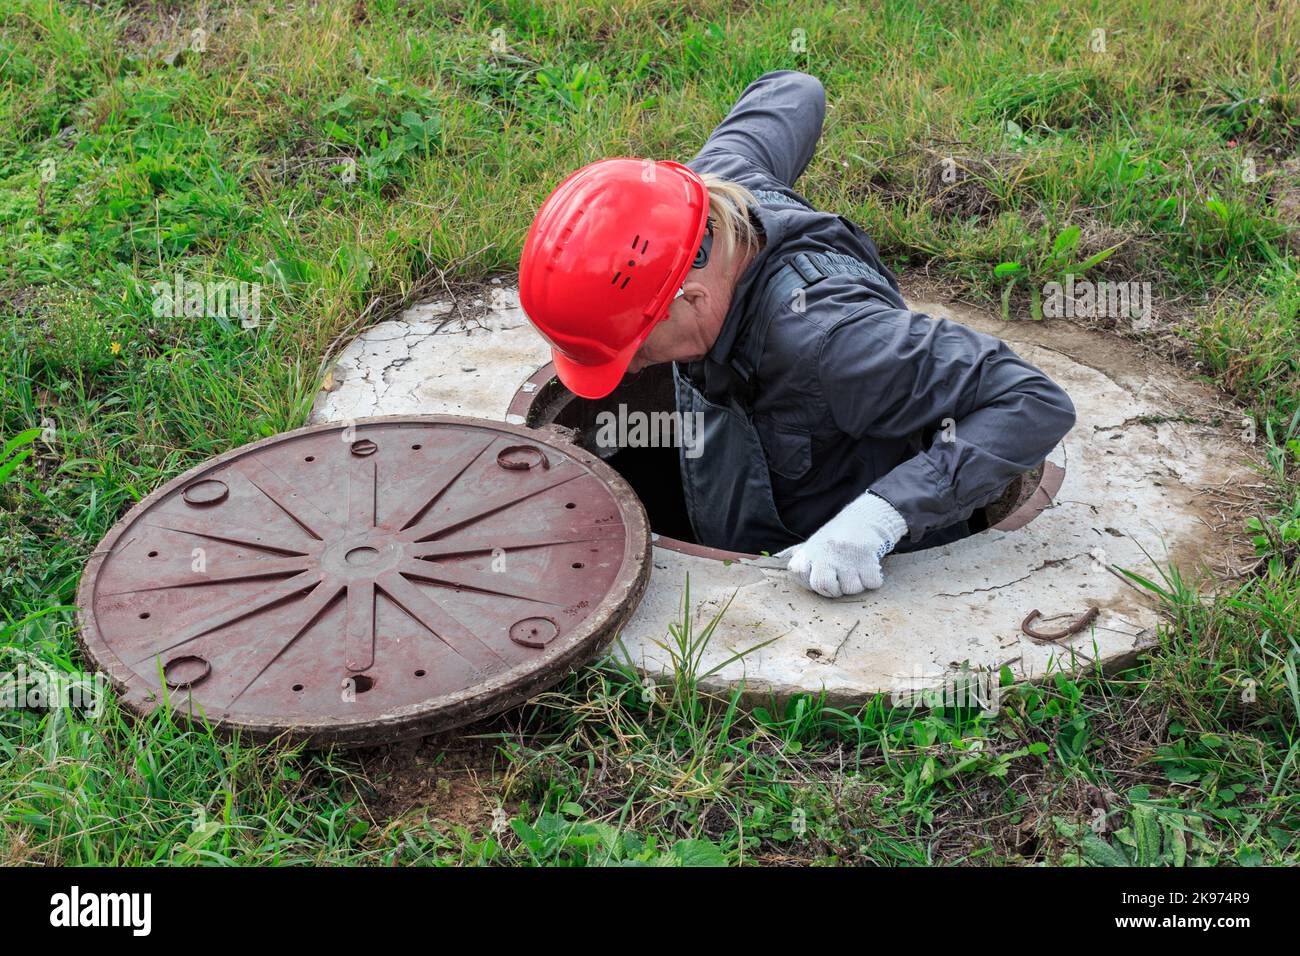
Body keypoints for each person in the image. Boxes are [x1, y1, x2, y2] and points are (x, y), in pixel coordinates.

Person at [518, 71, 1076, 598]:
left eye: (634, 350)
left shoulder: (832, 340)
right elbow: (794, 88)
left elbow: (1031, 400)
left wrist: (881, 517)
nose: (634, 371)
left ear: (690, 298)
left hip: (858, 589)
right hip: (736, 517)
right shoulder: (712, 199)